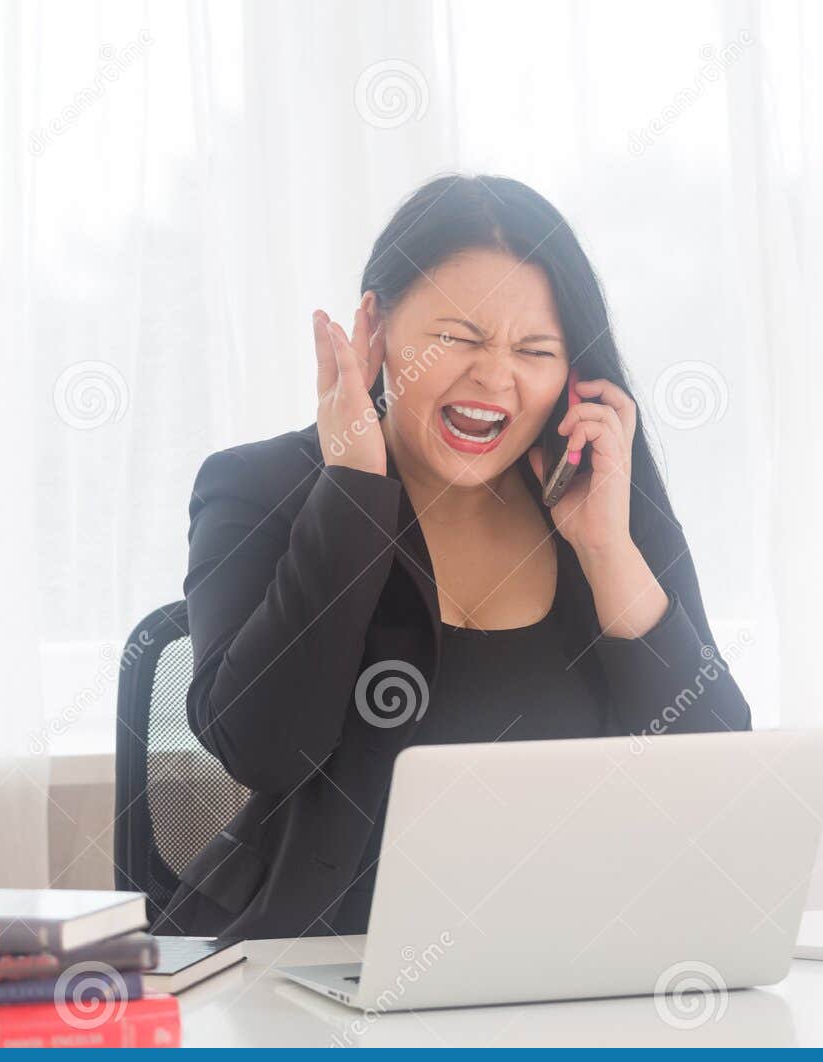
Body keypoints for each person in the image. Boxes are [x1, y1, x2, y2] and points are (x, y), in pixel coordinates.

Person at [161, 174, 750, 938]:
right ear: (374, 328)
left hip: (569, 962)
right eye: (458, 337)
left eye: (535, 349)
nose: (495, 378)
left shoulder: (603, 496)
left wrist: (606, 550)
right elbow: (264, 748)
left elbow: (718, 781)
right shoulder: (259, 486)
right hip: (324, 965)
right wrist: (351, 486)